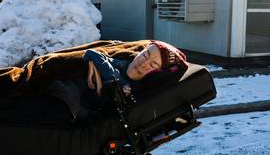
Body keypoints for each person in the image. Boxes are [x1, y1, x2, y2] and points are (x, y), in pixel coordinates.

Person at [48, 41, 187, 121]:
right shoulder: (122, 64)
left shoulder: (137, 91)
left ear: (156, 72)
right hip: (62, 89)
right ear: (141, 51)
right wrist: (118, 81)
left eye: (152, 65)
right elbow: (91, 53)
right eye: (145, 55)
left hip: (74, 109)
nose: (143, 63)